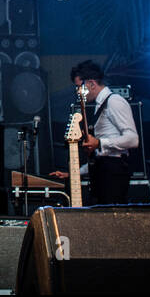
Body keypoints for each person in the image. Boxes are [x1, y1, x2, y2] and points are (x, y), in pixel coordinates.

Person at [58, 60, 140, 204]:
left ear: (91, 84)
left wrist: (100, 142)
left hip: (114, 171)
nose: (78, 92)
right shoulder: (99, 105)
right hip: (103, 169)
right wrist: (74, 173)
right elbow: (100, 156)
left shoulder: (114, 101)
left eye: (79, 87)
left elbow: (133, 139)